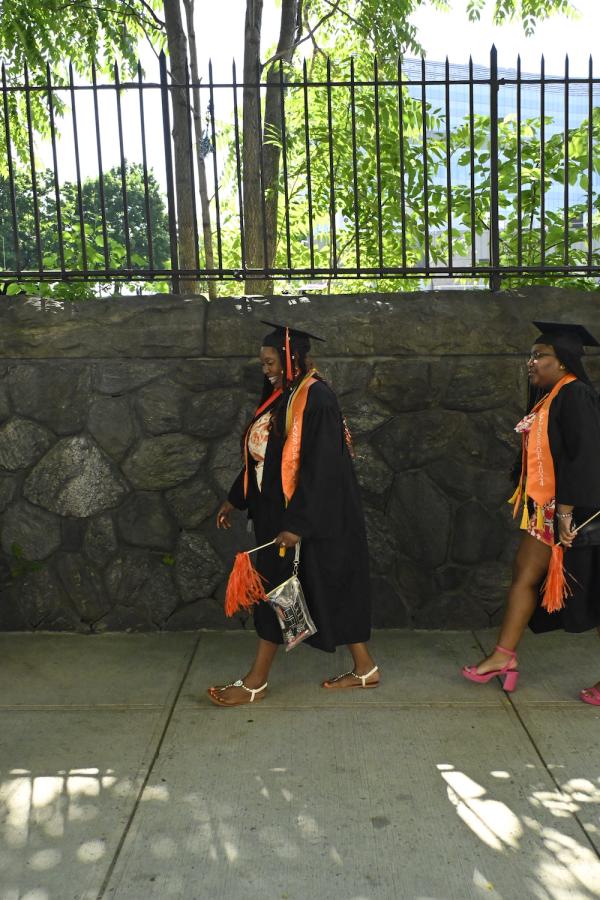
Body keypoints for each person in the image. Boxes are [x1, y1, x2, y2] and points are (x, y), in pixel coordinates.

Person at [208, 322, 378, 706]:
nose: (265, 369)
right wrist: (236, 498)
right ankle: (365, 668)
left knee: (282, 590)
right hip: (282, 512)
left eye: (270, 362)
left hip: (309, 517)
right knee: (311, 587)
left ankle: (256, 681)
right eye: (263, 363)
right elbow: (262, 456)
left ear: (291, 359)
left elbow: (323, 468)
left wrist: (297, 525)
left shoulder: (316, 398)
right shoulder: (281, 397)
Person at [462, 321, 600, 704]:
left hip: (580, 514)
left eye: (540, 355)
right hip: (545, 512)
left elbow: (584, 458)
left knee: (595, 594)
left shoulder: (576, 395)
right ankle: (503, 657)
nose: (531, 362)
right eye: (532, 354)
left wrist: (567, 512)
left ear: (563, 361)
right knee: (523, 574)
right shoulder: (551, 395)